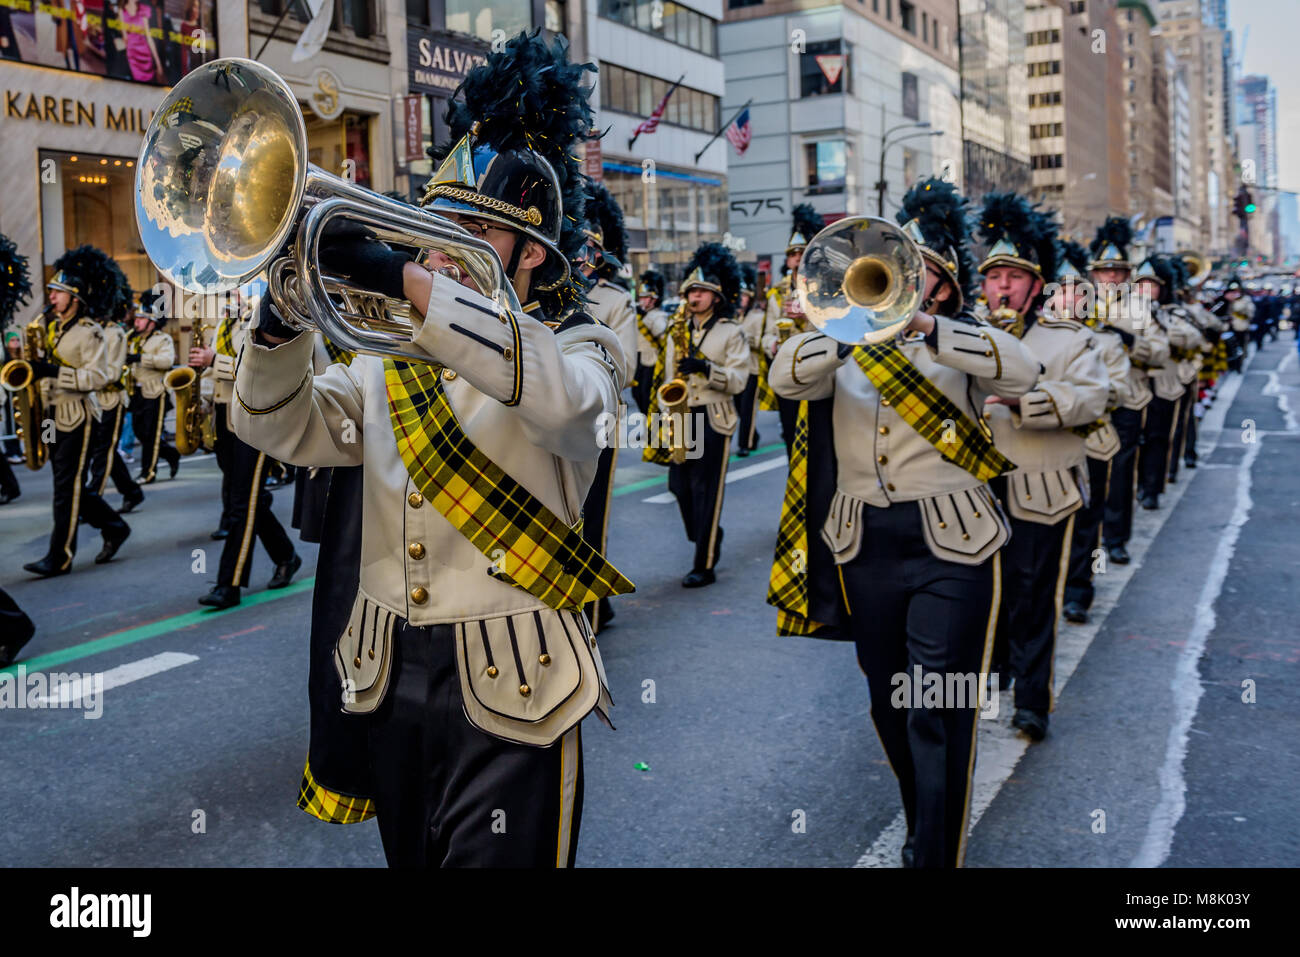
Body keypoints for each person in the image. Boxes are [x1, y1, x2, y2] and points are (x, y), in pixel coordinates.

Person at [230, 33, 632, 867]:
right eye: (431, 228)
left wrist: (410, 283)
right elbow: (276, 426)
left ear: (532, 254)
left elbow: (566, 409)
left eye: (470, 231)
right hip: (388, 678)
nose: (437, 246)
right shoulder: (385, 357)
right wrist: (280, 324)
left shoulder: (586, 348)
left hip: (514, 681)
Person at [767, 181, 1039, 867]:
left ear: (942, 288)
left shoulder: (960, 341)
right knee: (889, 702)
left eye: (921, 273)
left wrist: (921, 327)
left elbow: (1025, 371)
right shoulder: (844, 342)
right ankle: (924, 816)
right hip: (866, 542)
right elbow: (784, 378)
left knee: (936, 704)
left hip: (953, 544)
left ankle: (935, 854)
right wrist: (847, 325)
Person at [978, 196, 1108, 742]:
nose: (1002, 287)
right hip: (975, 490)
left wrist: (1023, 401)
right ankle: (987, 679)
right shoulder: (964, 333)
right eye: (994, 277)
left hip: (1041, 486)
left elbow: (1091, 399)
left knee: (1032, 597)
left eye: (1013, 277)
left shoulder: (1069, 337)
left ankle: (1032, 702)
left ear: (1036, 285)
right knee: (985, 595)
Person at [187, 287, 301, 609]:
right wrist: (202, 399)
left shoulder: (266, 316)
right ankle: (285, 556)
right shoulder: (226, 322)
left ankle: (229, 583)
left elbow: (262, 368)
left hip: (256, 418)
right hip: (226, 417)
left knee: (241, 502)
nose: (230, 291)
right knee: (251, 500)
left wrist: (214, 360)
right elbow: (212, 370)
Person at [21, 248, 131, 577]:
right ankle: (114, 526)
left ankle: (60, 556)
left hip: (78, 416)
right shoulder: (51, 329)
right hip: (52, 417)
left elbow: (98, 378)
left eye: (58, 293)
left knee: (65, 488)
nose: (51, 298)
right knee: (65, 483)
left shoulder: (90, 333)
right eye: (52, 293)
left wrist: (51, 372)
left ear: (74, 298)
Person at [662, 243, 749, 587]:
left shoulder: (731, 331)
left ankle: (705, 563)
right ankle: (708, 534)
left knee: (705, 491)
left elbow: (740, 380)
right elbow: (668, 377)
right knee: (679, 486)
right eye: (690, 291)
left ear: (715, 296)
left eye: (700, 291)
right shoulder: (677, 329)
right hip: (682, 416)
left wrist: (707, 369)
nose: (693, 296)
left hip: (714, 416)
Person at [1057, 239, 1132, 625]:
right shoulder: (1026, 338)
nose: (1069, 302)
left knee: (1086, 523)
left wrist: (1081, 394)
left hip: (1091, 441)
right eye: (1062, 294)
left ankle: (1076, 594)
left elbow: (1119, 389)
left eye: (1076, 295)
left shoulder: (1105, 338)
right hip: (1038, 447)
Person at [1089, 218, 1167, 566]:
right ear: (1094, 275)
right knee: (1087, 476)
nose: (1111, 278)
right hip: (1087, 401)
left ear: (1127, 276)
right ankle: (1089, 546)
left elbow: (1160, 352)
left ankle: (1116, 539)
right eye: (1105, 272)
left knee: (1120, 473)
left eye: (1118, 272)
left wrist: (1129, 340)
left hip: (1128, 398)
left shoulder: (1141, 308)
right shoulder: (1078, 304)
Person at [576, 180, 634, 631]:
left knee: (591, 514)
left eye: (589, 250)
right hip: (550, 412)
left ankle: (594, 608)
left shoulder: (616, 301)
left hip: (599, 420)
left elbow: (625, 367)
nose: (580, 257)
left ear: (601, 256)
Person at [1133, 255, 1198, 510]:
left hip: (1164, 384)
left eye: (1151, 286)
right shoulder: (1125, 312)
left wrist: (1161, 325)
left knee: (1158, 438)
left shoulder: (1173, 313)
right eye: (1140, 285)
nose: (1145, 291)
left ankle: (1152, 489)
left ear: (1162, 289)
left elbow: (1190, 338)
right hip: (1134, 386)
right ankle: (1136, 485)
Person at [763, 204, 824, 457]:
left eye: (802, 252)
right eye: (793, 254)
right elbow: (766, 334)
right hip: (787, 369)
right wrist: (772, 345)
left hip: (816, 367)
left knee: (819, 436)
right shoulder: (776, 292)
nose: (798, 258)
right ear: (787, 260)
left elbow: (833, 326)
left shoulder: (823, 288)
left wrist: (807, 314)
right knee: (791, 435)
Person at [84, 264, 144, 513]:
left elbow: (112, 371)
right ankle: (131, 491)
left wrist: (86, 377)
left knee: (102, 453)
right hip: (97, 400)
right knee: (105, 450)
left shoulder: (114, 334)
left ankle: (91, 501)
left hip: (112, 398)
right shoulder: (94, 331)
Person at [127, 289, 180, 483]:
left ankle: (148, 472)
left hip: (155, 392)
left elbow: (166, 361)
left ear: (152, 321)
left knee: (151, 434)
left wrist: (141, 358)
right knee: (140, 431)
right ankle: (171, 454)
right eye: (137, 318)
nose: (136, 322)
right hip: (137, 392)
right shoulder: (133, 339)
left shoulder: (162, 339)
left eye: (141, 318)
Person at [734, 264, 765, 457]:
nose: (742, 299)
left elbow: (761, 340)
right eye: (740, 296)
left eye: (745, 296)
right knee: (738, 407)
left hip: (753, 368)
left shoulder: (758, 316)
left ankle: (745, 444)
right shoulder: (735, 316)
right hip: (738, 368)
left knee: (747, 409)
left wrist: (744, 337)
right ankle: (754, 434)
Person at [631, 269, 668, 416]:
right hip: (639, 359)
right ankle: (650, 423)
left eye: (646, 297)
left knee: (648, 395)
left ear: (654, 299)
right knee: (637, 394)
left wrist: (645, 317)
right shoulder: (640, 315)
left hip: (653, 361)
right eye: (641, 297)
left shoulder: (659, 316)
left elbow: (663, 337)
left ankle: (654, 426)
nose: (642, 300)